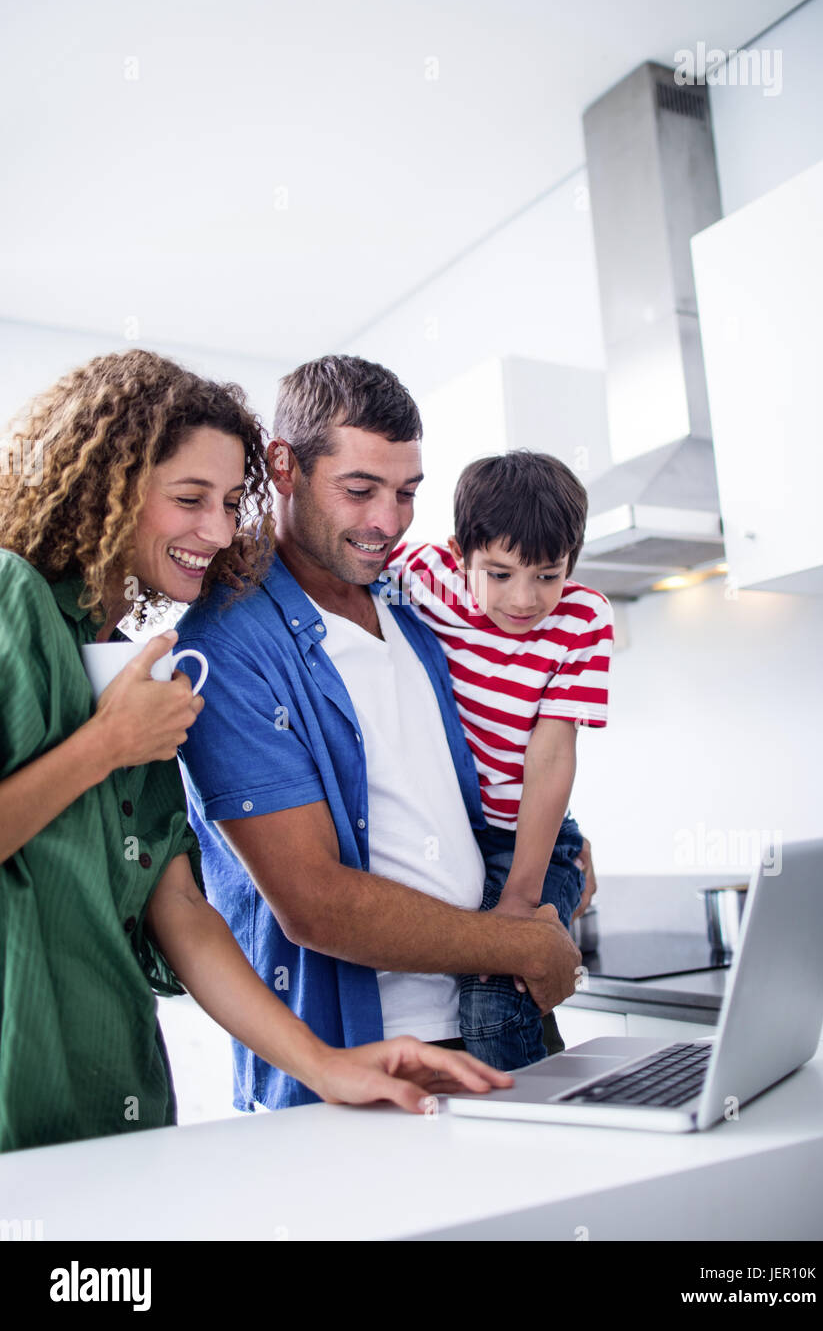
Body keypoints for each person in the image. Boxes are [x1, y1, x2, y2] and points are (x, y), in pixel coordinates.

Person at [0, 349, 508, 1154]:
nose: (218, 531)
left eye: (232, 502)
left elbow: (184, 912)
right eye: (190, 499)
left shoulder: (138, 662)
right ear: (111, 487)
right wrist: (104, 745)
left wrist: (327, 1064)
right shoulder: (12, 599)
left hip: (114, 1091)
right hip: (15, 1087)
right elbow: (307, 901)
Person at [175, 355, 584, 1112]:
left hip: (489, 1019)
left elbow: (472, 775)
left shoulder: (417, 609)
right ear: (285, 466)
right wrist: (521, 942)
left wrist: (559, 855)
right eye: (360, 490)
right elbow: (315, 903)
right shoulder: (227, 647)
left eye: (406, 493)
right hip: (361, 1056)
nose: (387, 523)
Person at [383, 450, 613, 1068]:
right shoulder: (423, 574)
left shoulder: (583, 619)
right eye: (501, 573)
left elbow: (553, 752)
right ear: (461, 554)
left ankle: (529, 1133)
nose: (524, 598)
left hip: (535, 845)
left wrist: (522, 893)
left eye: (547, 574)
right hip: (453, 838)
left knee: (495, 998)